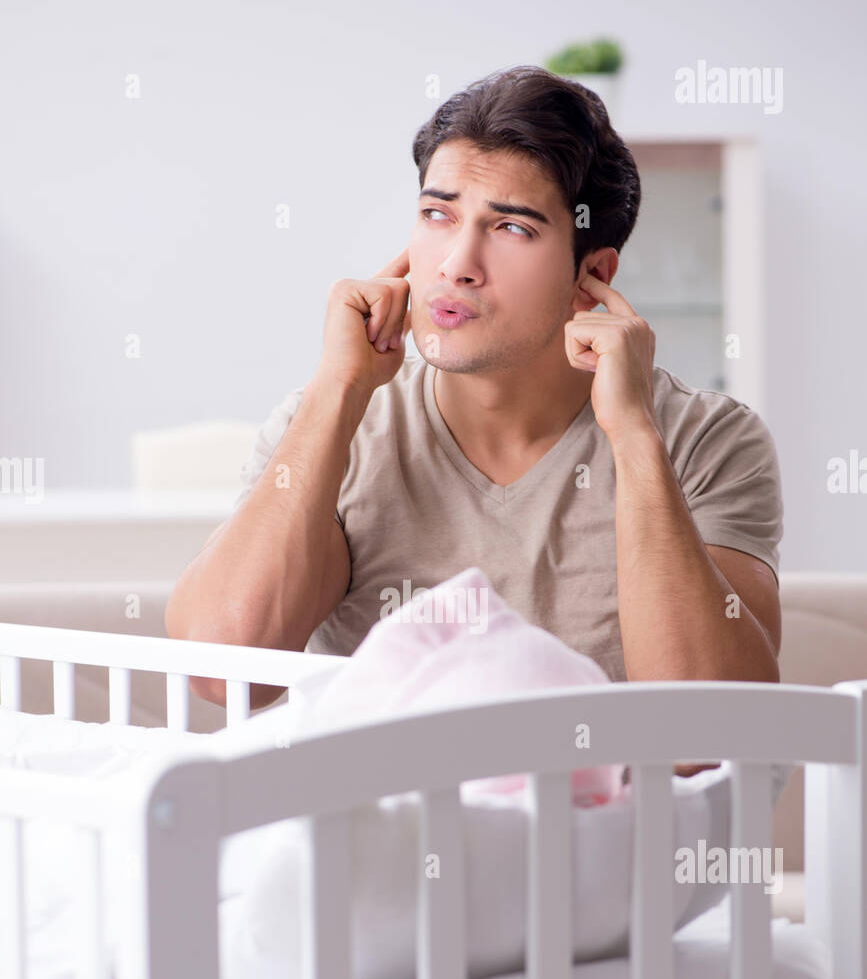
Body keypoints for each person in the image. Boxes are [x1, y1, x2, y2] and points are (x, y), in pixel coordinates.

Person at [166, 65, 783, 779]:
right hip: (381, 857)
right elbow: (222, 674)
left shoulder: (707, 441)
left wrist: (632, 434)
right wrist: (337, 392)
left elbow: (706, 731)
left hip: (605, 867)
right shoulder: (338, 423)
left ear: (594, 274)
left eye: (511, 227)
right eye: (438, 215)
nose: (456, 265)